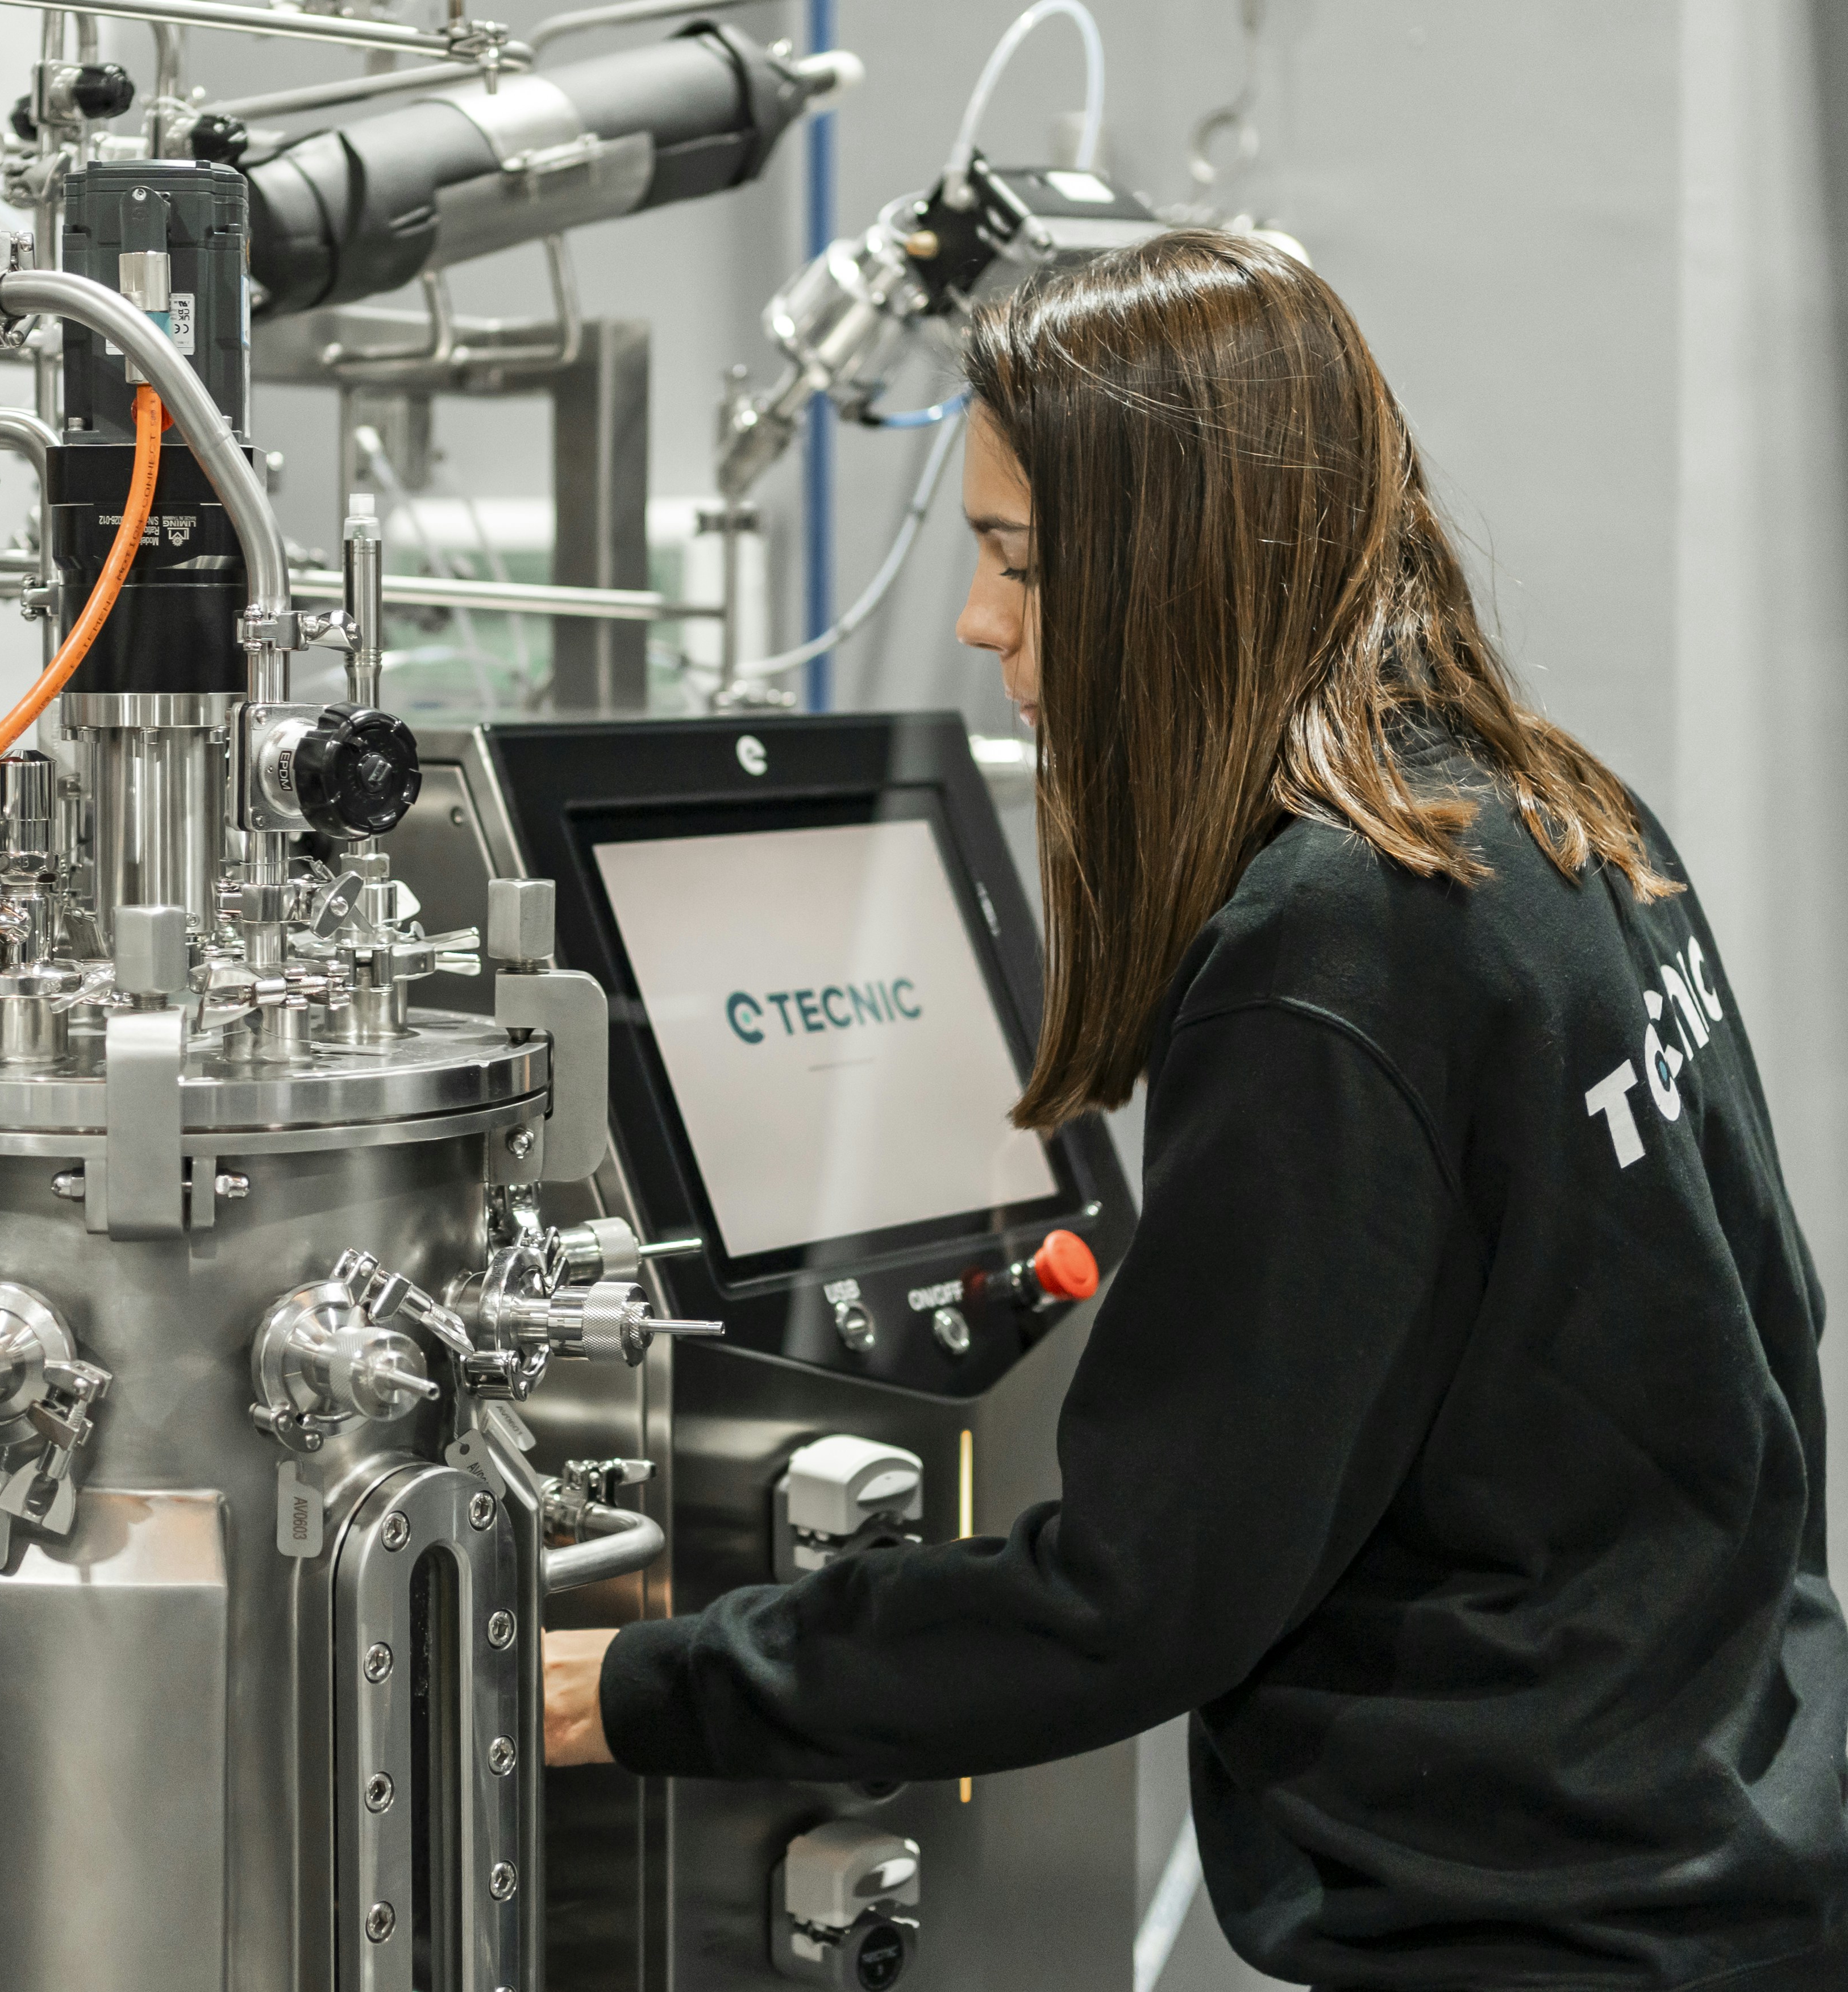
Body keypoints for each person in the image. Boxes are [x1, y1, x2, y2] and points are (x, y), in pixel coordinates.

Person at [540, 231, 1848, 1990]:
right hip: (1736, 1842)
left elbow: (1140, 1592)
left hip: (1546, 1925)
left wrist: (640, 1683)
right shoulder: (1558, 817)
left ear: (1172, 562)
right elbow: (1774, 1328)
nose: (978, 616)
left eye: (1014, 556)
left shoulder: (1335, 942)